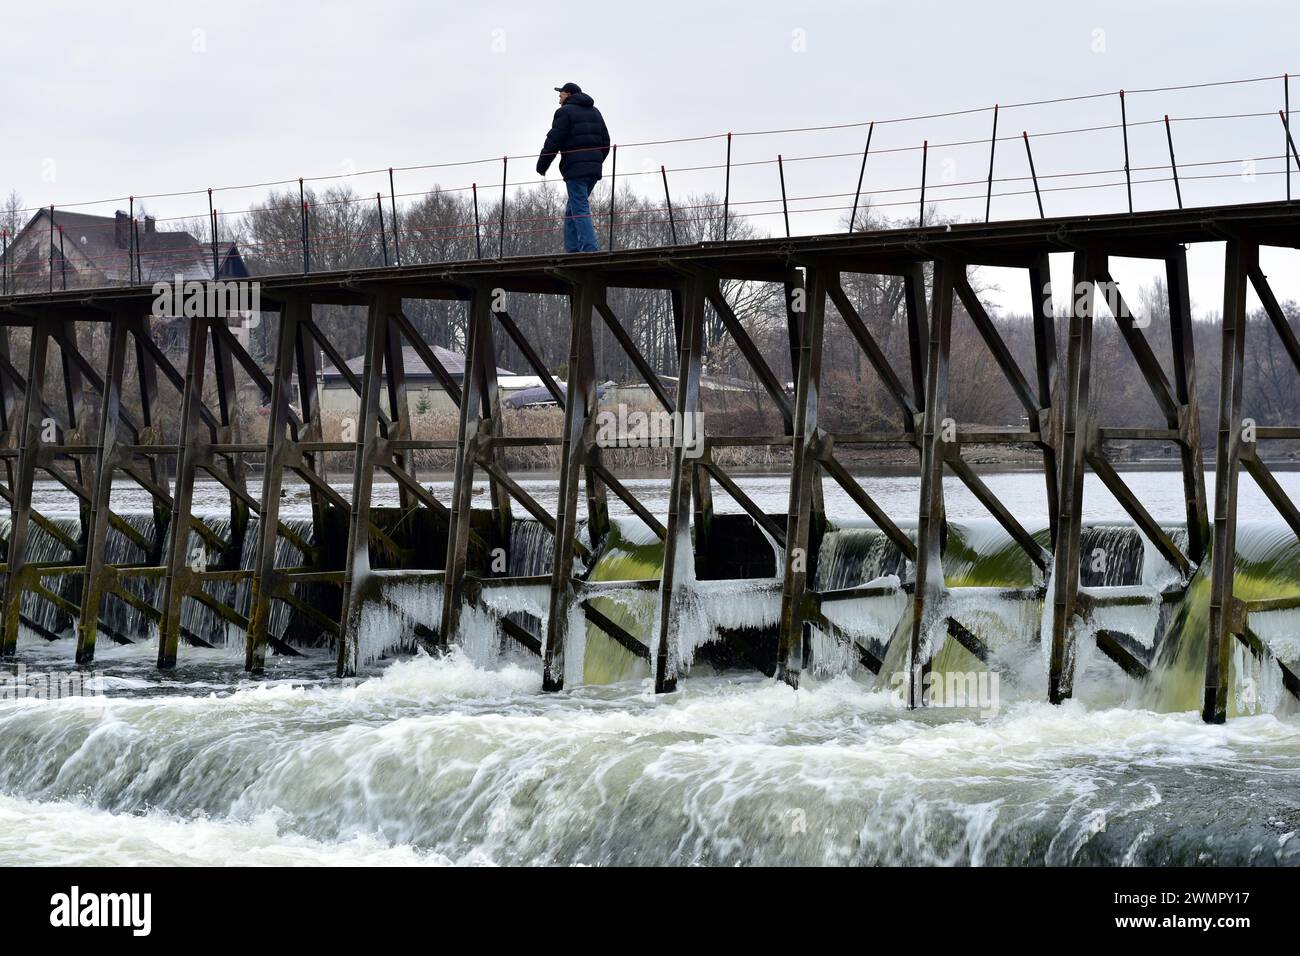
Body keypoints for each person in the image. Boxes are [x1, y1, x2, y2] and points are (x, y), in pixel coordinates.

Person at [536, 82, 610, 253]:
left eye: (561, 94)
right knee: (573, 207)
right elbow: (606, 141)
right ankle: (573, 249)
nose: (559, 97)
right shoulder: (595, 112)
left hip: (575, 169)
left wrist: (542, 165)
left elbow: (553, 141)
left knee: (579, 207)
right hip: (593, 169)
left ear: (568, 94)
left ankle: (589, 249)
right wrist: (596, 161)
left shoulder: (564, 112)